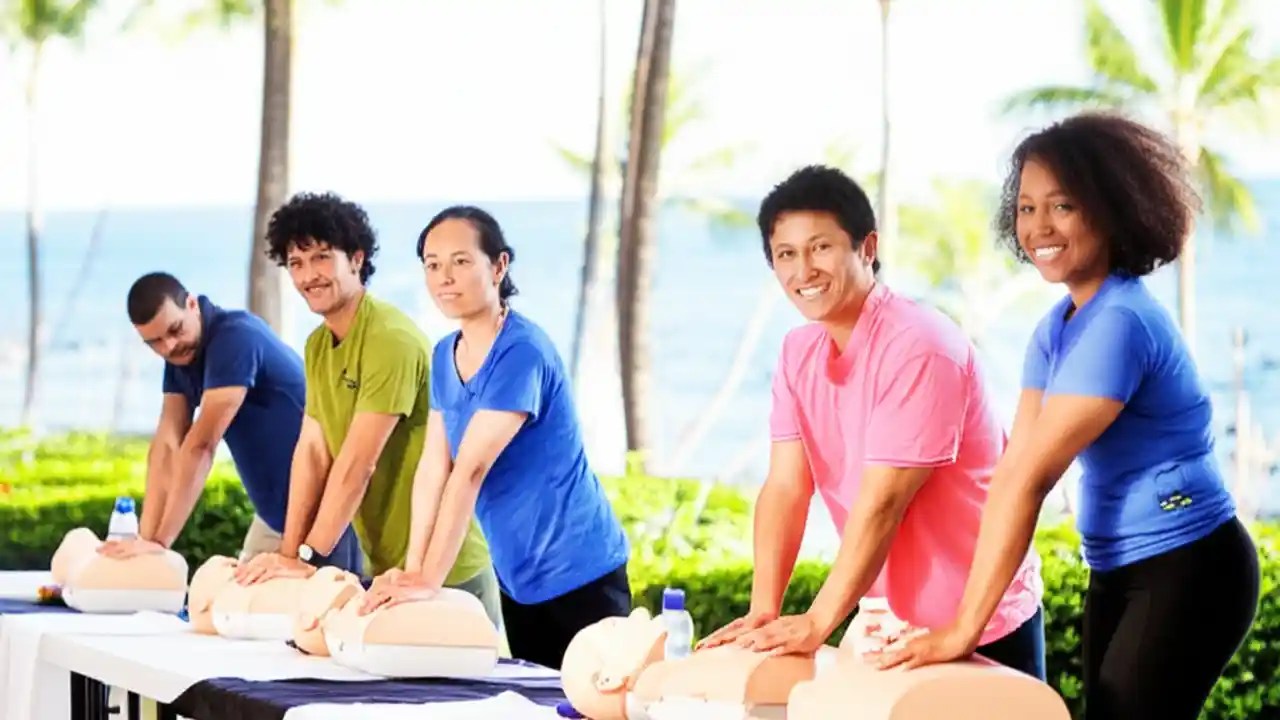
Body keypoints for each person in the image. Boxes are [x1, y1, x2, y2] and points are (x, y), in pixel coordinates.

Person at [878, 113, 1261, 718]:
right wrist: (957, 618)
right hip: (1117, 566)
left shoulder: (1119, 324)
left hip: (1189, 565)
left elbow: (1031, 481)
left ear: (1109, 210)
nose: (1039, 227)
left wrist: (963, 631)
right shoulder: (1056, 330)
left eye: (1062, 206)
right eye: (1027, 208)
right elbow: (1009, 474)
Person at [696, 165, 1047, 679]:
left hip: (981, 623)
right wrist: (763, 609)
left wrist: (818, 622)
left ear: (866, 247)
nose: (803, 271)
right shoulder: (799, 352)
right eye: (786, 255)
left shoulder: (920, 346)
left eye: (820, 247)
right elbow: (787, 488)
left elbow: (885, 503)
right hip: (896, 628)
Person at [358, 205, 631, 670]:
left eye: (461, 261)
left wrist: (430, 580)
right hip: (518, 577)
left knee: (592, 706)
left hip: (580, 571)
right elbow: (433, 470)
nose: (444, 276)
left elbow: (469, 471)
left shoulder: (521, 351)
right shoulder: (446, 354)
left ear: (498, 265)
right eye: (432, 264)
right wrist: (412, 569)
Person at [233, 192, 501, 629]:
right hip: (387, 572)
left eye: (321, 258)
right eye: (296, 263)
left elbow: (358, 462)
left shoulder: (388, 338)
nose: (308, 276)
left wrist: (309, 557)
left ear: (356, 259)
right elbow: (313, 453)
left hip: (446, 572)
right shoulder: (318, 345)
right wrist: (289, 555)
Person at [101, 272, 362, 574]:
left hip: (328, 511)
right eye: (154, 342)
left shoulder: (235, 337)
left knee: (325, 614)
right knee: (237, 606)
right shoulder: (180, 356)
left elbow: (200, 446)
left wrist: (160, 543)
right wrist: (143, 543)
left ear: (192, 304)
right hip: (275, 516)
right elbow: (167, 445)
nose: (168, 347)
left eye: (174, 330)